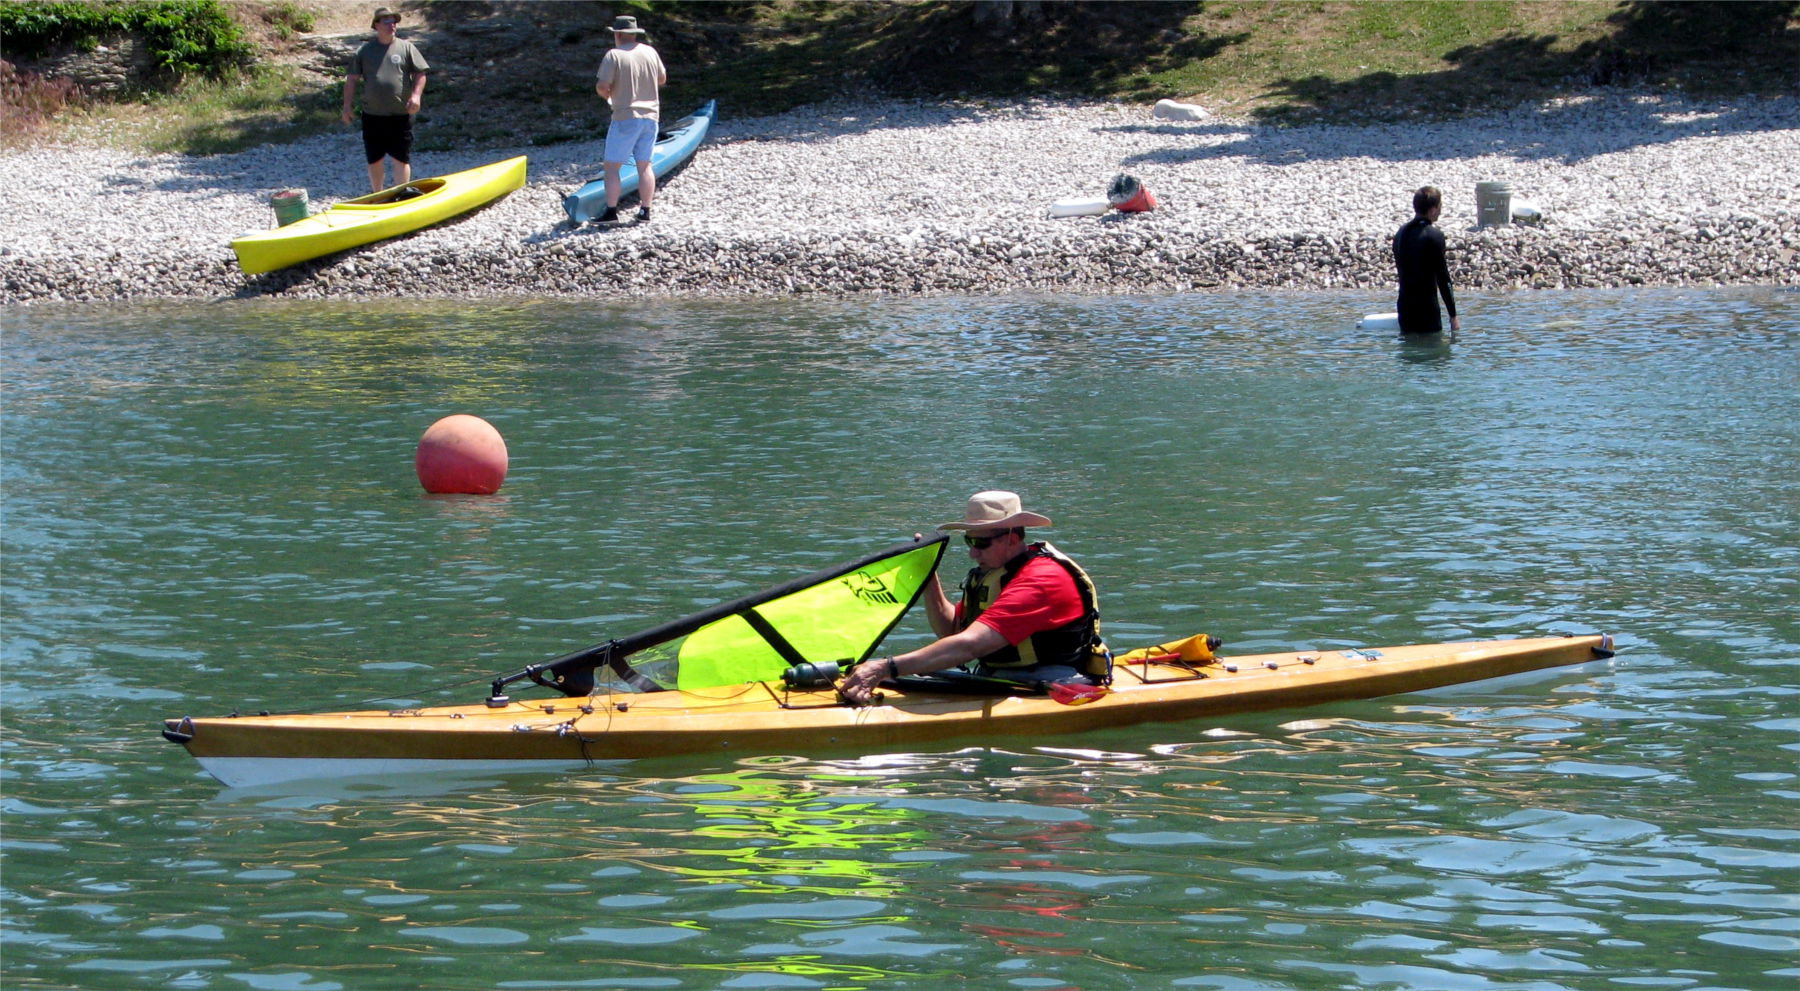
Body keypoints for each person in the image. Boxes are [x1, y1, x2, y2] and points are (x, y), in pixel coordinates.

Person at [837, 491, 1108, 705]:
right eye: (969, 541)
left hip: (1048, 681)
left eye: (981, 543)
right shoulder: (993, 574)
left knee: (893, 674)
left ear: (1012, 537)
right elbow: (951, 631)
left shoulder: (1041, 580)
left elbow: (970, 646)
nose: (973, 553)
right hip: (994, 680)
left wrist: (885, 667)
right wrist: (929, 577)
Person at [342, 7, 429, 194]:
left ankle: (401, 192)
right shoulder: (365, 51)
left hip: (400, 113)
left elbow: (420, 74)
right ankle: (378, 193)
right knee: (375, 158)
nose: (392, 25)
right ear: (376, 25)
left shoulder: (406, 48)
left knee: (401, 157)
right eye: (387, 21)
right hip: (373, 114)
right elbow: (351, 80)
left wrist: (416, 96)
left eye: (394, 21)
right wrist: (347, 107)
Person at [593, 15, 667, 224]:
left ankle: (611, 212)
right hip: (651, 115)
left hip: (625, 116)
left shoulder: (613, 55)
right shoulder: (650, 52)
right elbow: (662, 79)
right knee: (644, 166)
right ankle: (645, 211)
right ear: (635, 33)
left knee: (612, 167)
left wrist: (606, 96)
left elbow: (602, 85)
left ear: (617, 34)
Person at [1392, 185, 1460, 335]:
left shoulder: (1401, 233)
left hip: (1404, 307)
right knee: (1433, 353)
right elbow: (1443, 278)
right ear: (1433, 210)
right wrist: (1453, 315)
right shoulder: (1434, 235)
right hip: (1427, 310)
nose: (1441, 210)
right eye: (1440, 206)